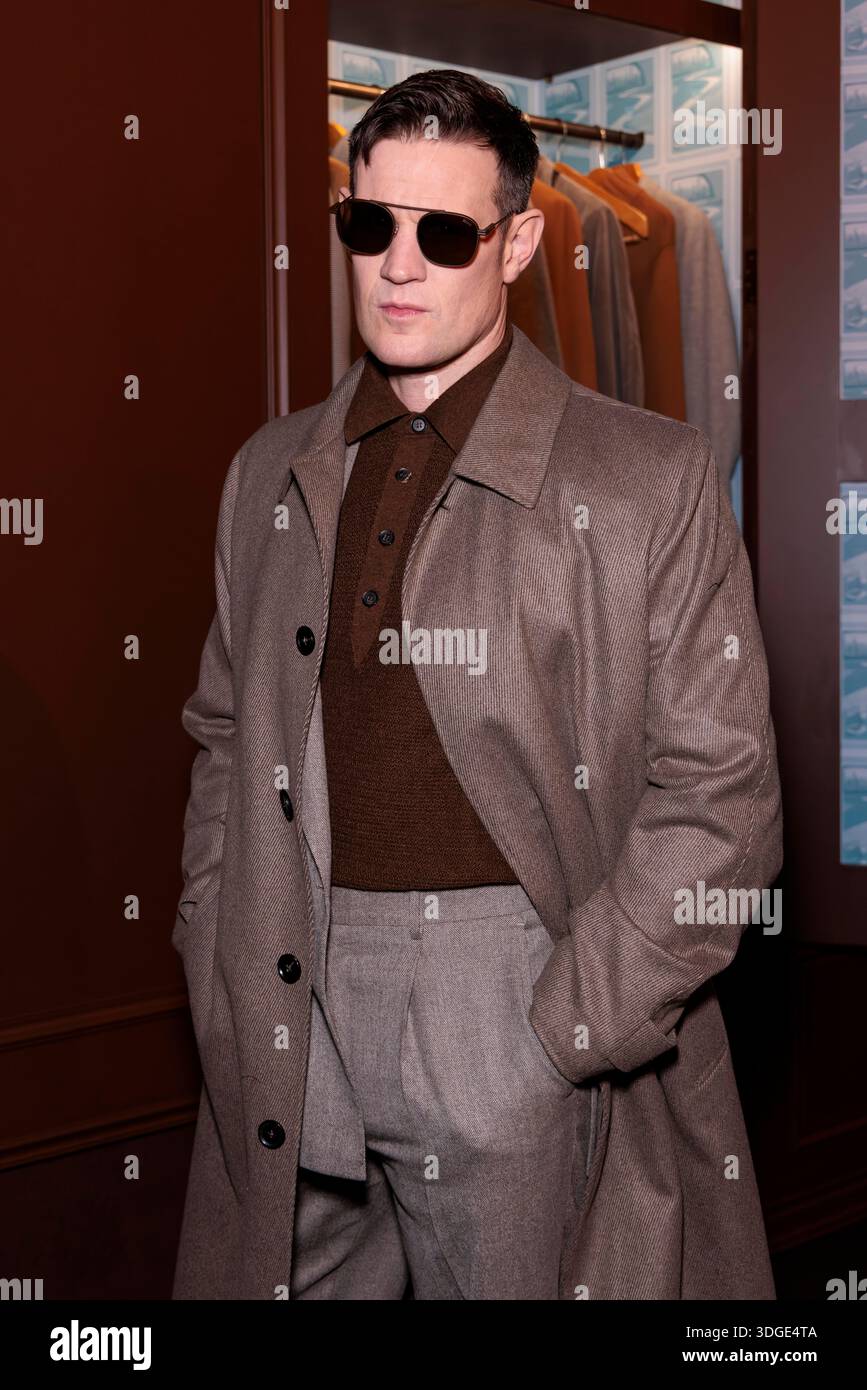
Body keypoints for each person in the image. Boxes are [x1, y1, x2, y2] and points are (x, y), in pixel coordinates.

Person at [171, 68, 783, 1301]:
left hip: (513, 999)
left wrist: (556, 1033)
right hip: (292, 984)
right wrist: (215, 953)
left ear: (517, 246)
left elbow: (722, 800)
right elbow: (225, 738)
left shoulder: (644, 477)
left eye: (445, 233)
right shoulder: (268, 472)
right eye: (369, 224)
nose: (400, 264)